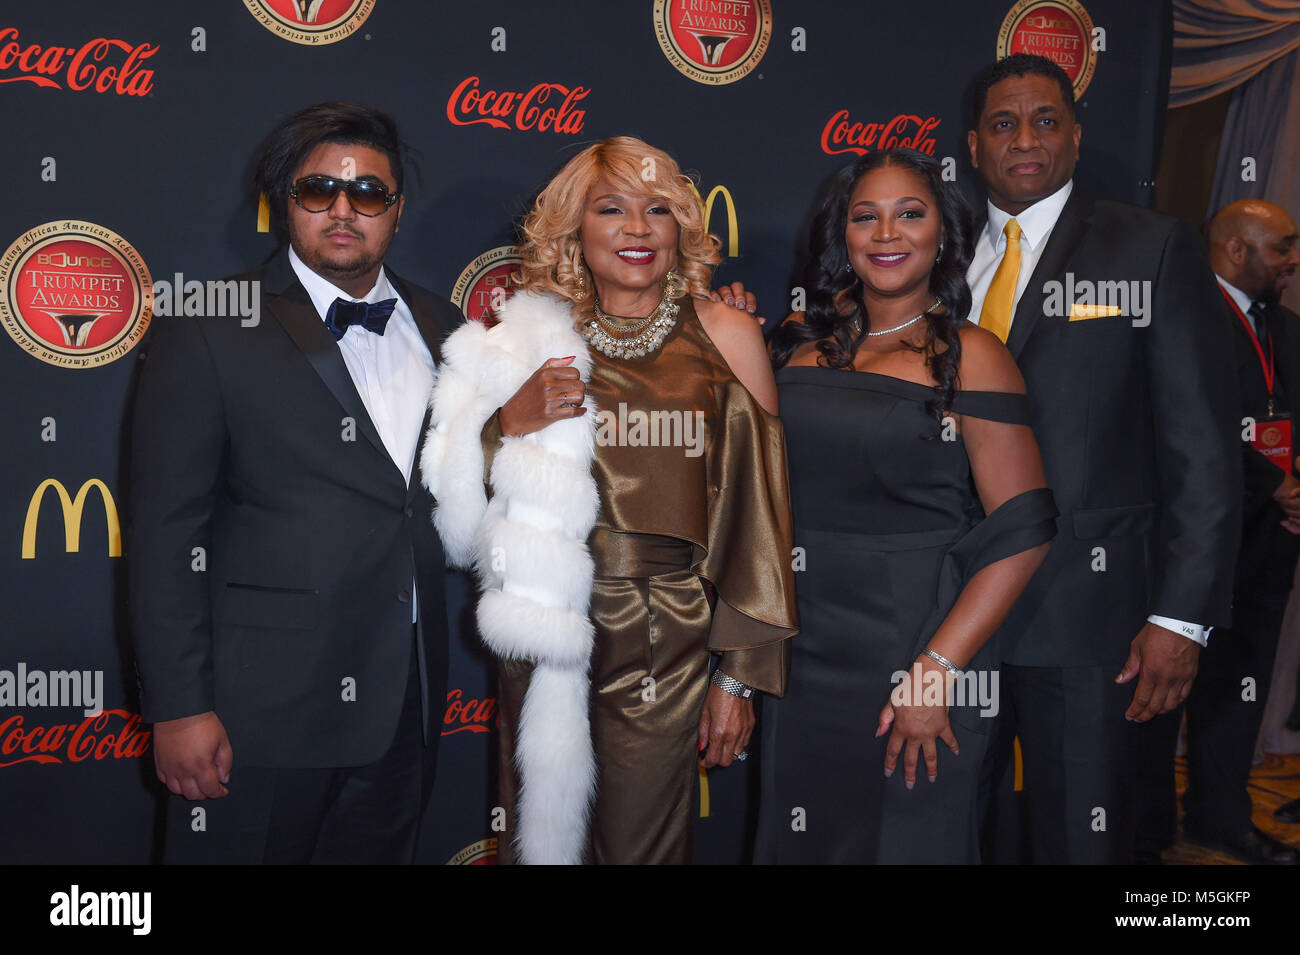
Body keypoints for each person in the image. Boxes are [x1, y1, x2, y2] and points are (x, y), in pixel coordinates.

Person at [420, 136, 798, 865]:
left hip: (667, 633)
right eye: (612, 208)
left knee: (641, 850)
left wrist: (738, 672)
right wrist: (508, 423)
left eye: (657, 209)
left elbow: (761, 517)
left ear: (681, 225)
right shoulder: (527, 339)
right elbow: (457, 510)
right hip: (544, 627)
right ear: (574, 228)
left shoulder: (726, 335)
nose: (637, 227)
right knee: (542, 843)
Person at [129, 102, 461, 863]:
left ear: (397, 211)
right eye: (319, 190)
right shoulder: (207, 325)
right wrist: (179, 708)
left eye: (369, 193)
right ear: (287, 203)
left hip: (403, 708)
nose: (344, 210)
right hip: (257, 715)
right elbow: (165, 534)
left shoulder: (446, 329)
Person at [963, 54, 1241, 863]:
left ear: (1076, 139)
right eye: (1003, 123)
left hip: (1093, 625)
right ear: (974, 146)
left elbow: (1204, 451)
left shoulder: (1152, 249)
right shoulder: (934, 256)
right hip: (949, 618)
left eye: (1045, 121)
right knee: (957, 835)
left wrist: (1179, 617)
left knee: (1082, 842)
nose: (1026, 139)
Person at [750, 148, 1056, 863]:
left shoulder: (973, 354)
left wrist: (937, 668)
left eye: (909, 214)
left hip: (916, 643)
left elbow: (1025, 529)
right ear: (842, 236)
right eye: (866, 217)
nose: (886, 233)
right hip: (800, 647)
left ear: (942, 235)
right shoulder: (796, 346)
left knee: (907, 841)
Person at [1138, 199, 1300, 864]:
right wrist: (1272, 483)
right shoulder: (1178, 314)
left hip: (1270, 540)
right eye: (1283, 247)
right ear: (1237, 250)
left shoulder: (1286, 327)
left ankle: (1220, 822)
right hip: (1194, 543)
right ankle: (1144, 834)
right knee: (1160, 697)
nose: (1293, 261)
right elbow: (1179, 428)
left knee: (1241, 689)